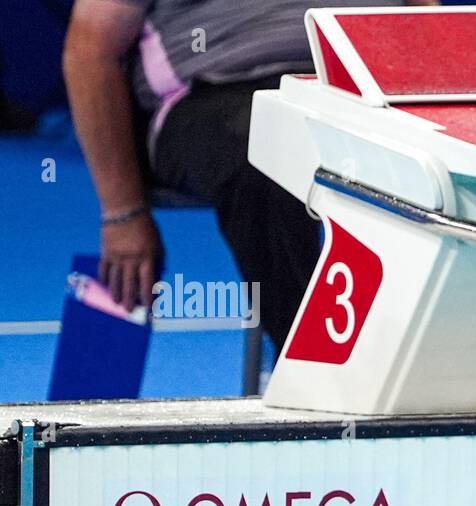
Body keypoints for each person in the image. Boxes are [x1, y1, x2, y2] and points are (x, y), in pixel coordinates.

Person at [61, 0, 436, 356]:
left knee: (456, 157)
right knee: (265, 151)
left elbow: (425, 15)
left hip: (366, 91)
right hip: (215, 96)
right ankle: (310, 366)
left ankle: (445, 360)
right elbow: (90, 51)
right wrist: (122, 212)